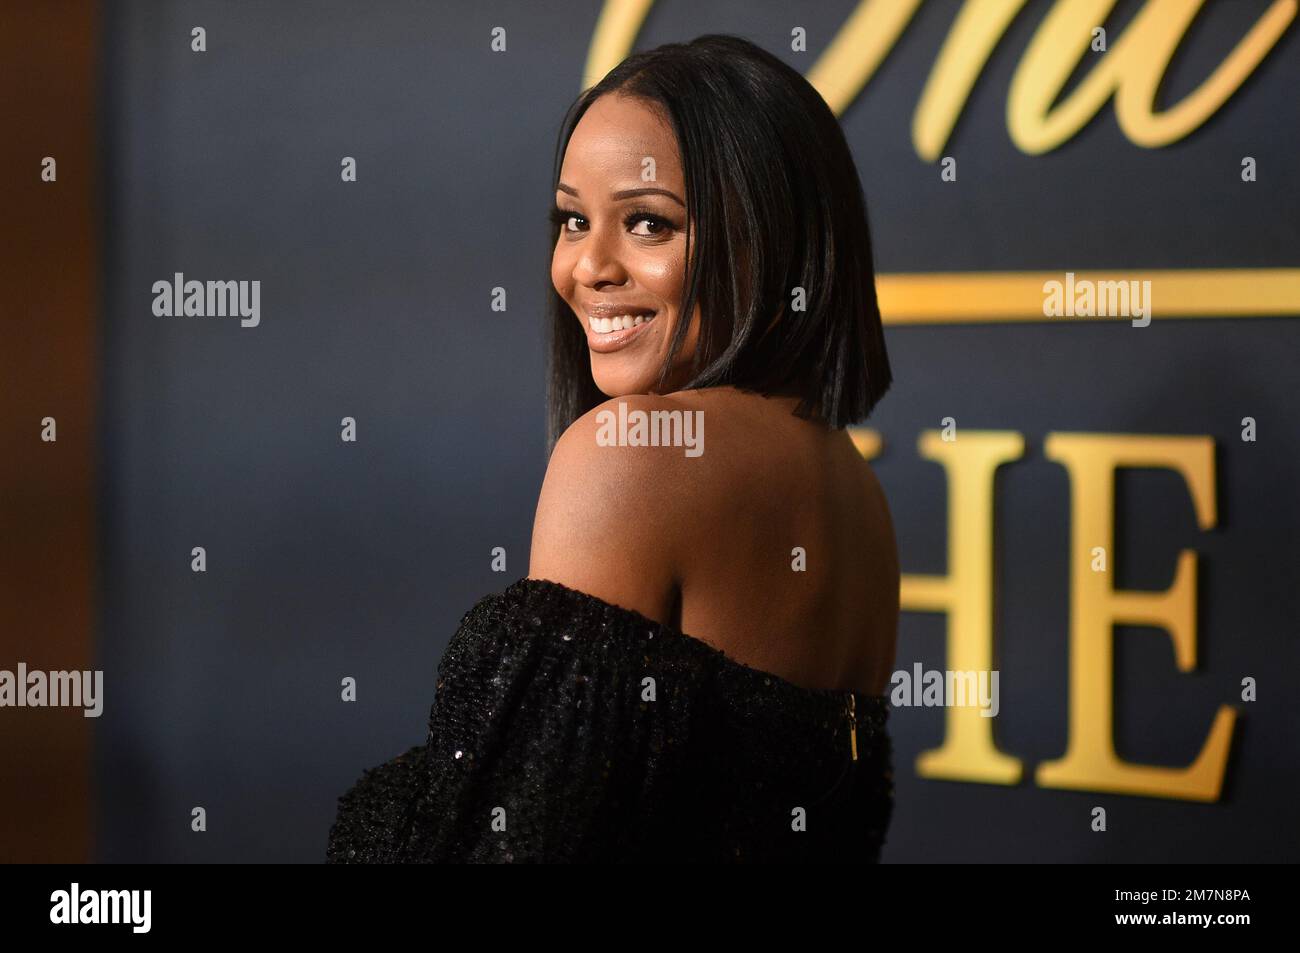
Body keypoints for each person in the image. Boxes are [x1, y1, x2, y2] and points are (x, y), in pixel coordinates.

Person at [326, 33, 898, 863]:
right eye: (571, 220)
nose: (587, 266)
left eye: (647, 223)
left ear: (770, 242)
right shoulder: (855, 492)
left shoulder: (633, 452)